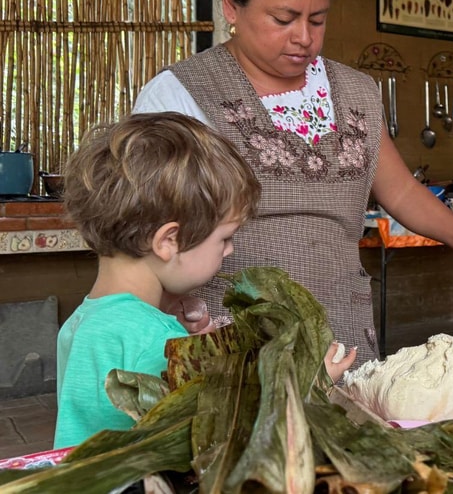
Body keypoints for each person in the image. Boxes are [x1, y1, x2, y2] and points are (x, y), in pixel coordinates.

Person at [134, 0, 453, 363]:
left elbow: (399, 190)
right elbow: (149, 232)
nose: (304, 37)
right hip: (233, 342)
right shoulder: (180, 94)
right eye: (284, 18)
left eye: (317, 19)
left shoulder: (355, 91)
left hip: (344, 338)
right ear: (231, 4)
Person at [53, 112, 356, 448]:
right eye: (224, 238)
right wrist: (307, 385)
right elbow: (218, 435)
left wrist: (190, 345)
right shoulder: (156, 340)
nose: (229, 251)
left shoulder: (82, 323)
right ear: (169, 241)